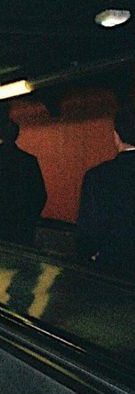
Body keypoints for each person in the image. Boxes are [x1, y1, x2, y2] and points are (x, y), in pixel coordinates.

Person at [76, 107, 135, 275]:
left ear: (116, 136)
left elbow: (89, 226)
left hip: (112, 263)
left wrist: (89, 255)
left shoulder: (97, 176)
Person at [0, 119, 47, 246]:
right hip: (20, 229)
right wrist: (29, 219)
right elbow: (40, 195)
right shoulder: (29, 161)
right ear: (17, 135)